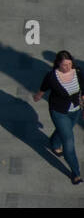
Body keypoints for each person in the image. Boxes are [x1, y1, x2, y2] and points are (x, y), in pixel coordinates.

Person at [32, 50, 84, 185]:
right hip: (59, 111)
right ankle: (76, 173)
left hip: (75, 110)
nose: (67, 67)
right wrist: (38, 96)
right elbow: (43, 87)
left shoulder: (77, 71)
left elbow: (82, 89)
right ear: (57, 64)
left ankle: (54, 143)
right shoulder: (52, 77)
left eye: (69, 64)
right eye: (64, 65)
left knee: (62, 132)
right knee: (68, 141)